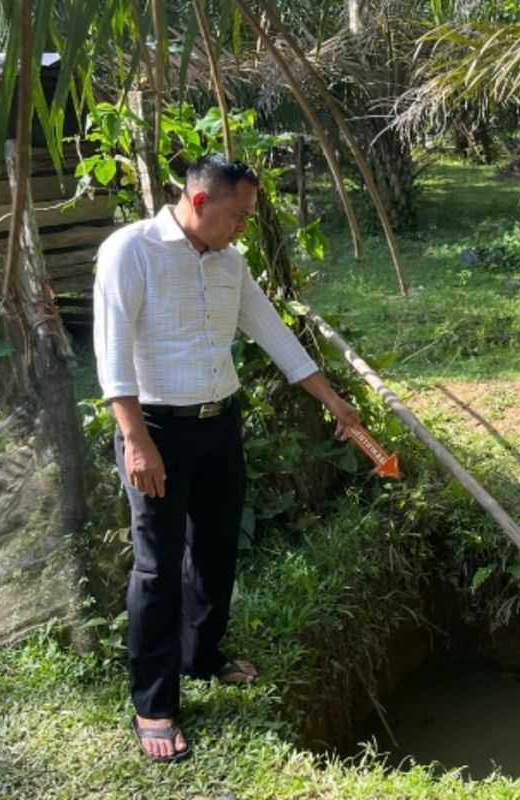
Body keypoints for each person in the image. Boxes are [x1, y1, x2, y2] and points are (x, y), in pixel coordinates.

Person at [93, 153, 361, 762]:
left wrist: (333, 401)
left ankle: (201, 654)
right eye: (238, 216)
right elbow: (110, 353)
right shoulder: (129, 251)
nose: (244, 227)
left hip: (220, 424)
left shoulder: (230, 262)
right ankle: (153, 704)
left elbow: (272, 332)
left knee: (215, 547)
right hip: (157, 428)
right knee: (158, 567)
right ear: (201, 201)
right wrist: (135, 439)